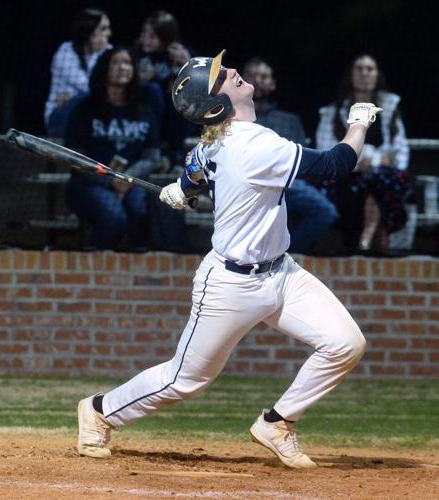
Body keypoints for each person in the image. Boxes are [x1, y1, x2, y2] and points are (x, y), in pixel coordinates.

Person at [76, 50, 376, 468]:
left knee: (345, 344)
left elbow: (197, 162)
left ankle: (277, 422)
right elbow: (334, 164)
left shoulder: (221, 138)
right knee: (186, 380)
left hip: (281, 274)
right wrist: (359, 121)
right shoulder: (253, 145)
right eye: (223, 76)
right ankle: (99, 410)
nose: (233, 71)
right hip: (230, 285)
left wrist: (183, 188)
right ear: (216, 104)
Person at [64, 46, 179, 250]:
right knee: (113, 215)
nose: (122, 67)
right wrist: (111, 182)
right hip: (89, 184)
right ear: (104, 69)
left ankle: (136, 267)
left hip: (133, 182)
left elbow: (152, 157)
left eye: (126, 63)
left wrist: (126, 180)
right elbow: (75, 158)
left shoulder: (144, 110)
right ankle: (96, 267)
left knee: (140, 209)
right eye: (115, 62)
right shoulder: (84, 109)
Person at [316, 54, 411, 253]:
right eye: (359, 68)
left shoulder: (389, 108)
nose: (364, 73)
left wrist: (384, 161)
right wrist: (357, 162)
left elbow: (401, 149)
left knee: (382, 179)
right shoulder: (335, 111)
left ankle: (367, 235)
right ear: (350, 75)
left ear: (377, 75)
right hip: (349, 174)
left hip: (384, 173)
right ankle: (378, 235)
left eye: (370, 69)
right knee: (369, 182)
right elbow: (325, 146)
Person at [242, 57, 338, 254]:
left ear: (272, 84)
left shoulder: (290, 120)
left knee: (325, 211)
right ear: (242, 81)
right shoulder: (231, 118)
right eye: (252, 76)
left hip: (287, 185)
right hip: (247, 185)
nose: (258, 81)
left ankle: (287, 254)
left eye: (264, 76)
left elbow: (302, 162)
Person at [134, 10, 195, 166]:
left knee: (180, 95)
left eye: (152, 36)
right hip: (143, 112)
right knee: (153, 90)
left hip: (172, 116)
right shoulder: (136, 54)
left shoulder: (178, 54)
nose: (145, 39)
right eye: (144, 33)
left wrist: (188, 64)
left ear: (164, 37)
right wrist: (140, 79)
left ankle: (175, 156)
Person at [44, 8, 111, 138]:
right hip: (61, 116)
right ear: (89, 33)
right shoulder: (65, 53)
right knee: (82, 98)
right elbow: (90, 88)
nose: (108, 33)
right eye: (103, 29)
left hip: (93, 116)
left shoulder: (107, 52)